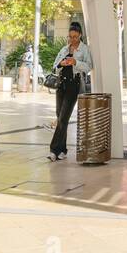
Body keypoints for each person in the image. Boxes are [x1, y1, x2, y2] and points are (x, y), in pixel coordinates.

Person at [48, 22, 92, 161]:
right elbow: (54, 66)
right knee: (60, 115)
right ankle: (63, 149)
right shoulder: (64, 49)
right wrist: (61, 64)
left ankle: (54, 150)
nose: (72, 39)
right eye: (70, 36)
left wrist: (75, 62)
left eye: (75, 36)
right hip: (62, 84)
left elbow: (89, 67)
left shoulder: (84, 50)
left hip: (74, 84)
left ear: (80, 35)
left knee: (63, 117)